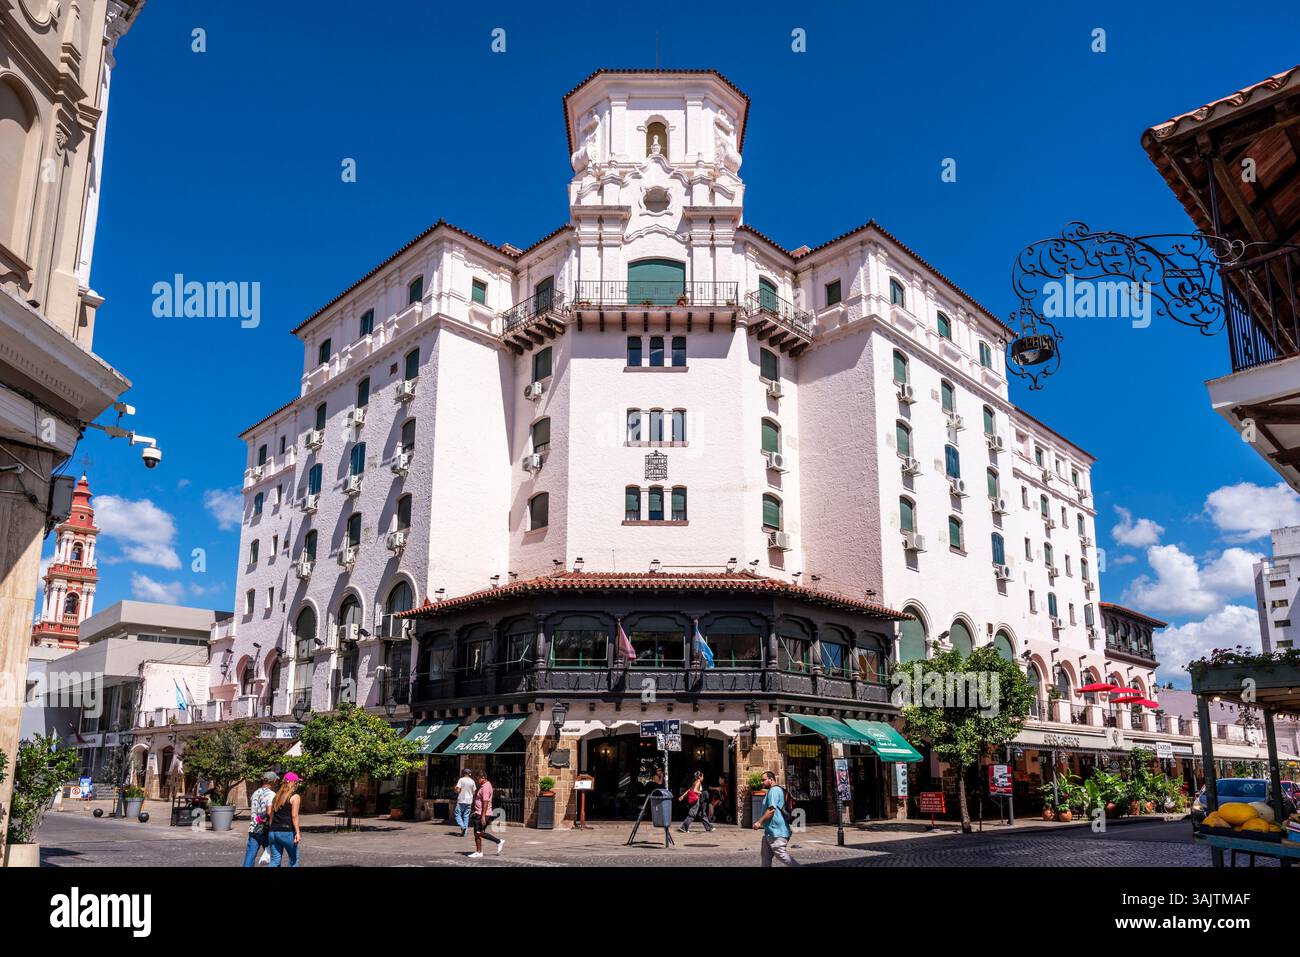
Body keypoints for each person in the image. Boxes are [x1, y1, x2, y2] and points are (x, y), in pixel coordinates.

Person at [752, 769, 799, 867]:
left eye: (763, 780)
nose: (762, 782)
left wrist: (759, 822)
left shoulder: (774, 790)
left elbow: (771, 810)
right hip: (769, 832)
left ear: (771, 779)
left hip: (777, 832)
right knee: (765, 857)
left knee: (781, 855)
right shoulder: (773, 791)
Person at [242, 771, 279, 867]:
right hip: (264, 829)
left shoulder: (255, 793)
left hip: (253, 827)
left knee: (250, 856)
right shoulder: (271, 794)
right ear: (273, 781)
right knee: (275, 856)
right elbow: (269, 811)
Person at [267, 772, 302, 867]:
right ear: (294, 783)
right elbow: (294, 816)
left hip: (273, 831)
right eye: (297, 782)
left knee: (275, 860)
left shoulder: (276, 797)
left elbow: (270, 814)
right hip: (287, 832)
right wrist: (298, 833)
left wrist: (271, 827)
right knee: (293, 859)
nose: (297, 784)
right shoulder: (295, 797)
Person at [468, 769, 504, 858]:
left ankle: (498, 841)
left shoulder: (486, 787)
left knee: (478, 832)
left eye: (478, 779)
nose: (477, 781)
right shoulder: (483, 786)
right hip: (478, 812)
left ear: (483, 777)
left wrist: (483, 816)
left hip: (483, 813)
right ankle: (478, 852)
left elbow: (485, 802)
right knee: (477, 833)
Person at [453, 768, 476, 836]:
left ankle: (463, 827)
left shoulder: (461, 780)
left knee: (457, 814)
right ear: (470, 774)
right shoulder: (472, 781)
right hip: (469, 801)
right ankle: (465, 833)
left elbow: (457, 791)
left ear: (463, 773)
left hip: (461, 800)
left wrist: (455, 788)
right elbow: (474, 792)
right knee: (466, 816)